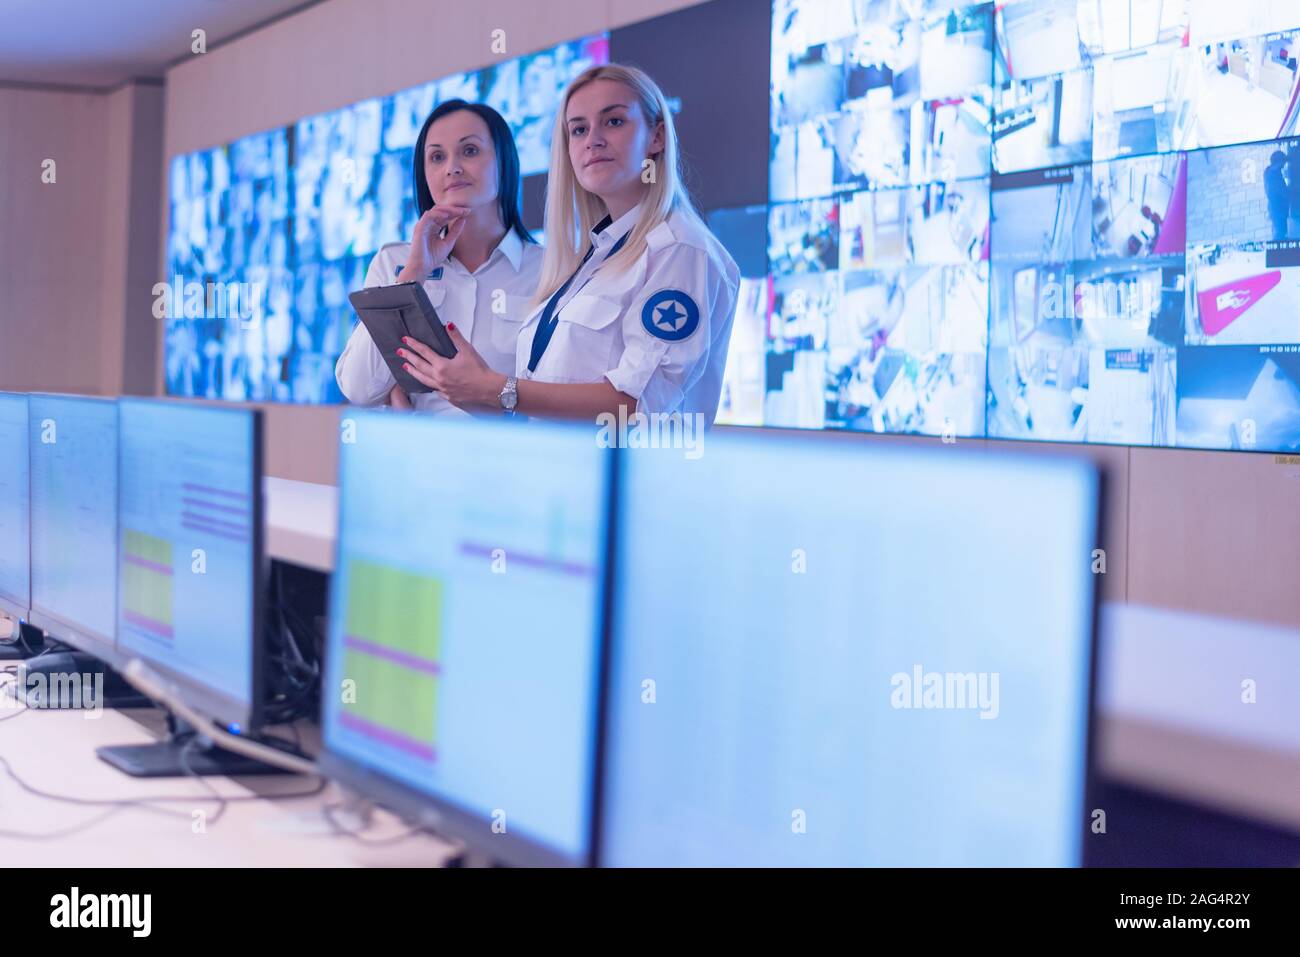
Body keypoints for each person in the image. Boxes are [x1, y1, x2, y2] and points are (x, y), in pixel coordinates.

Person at [395, 64, 740, 424]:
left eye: (614, 122)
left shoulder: (679, 250)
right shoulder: (594, 259)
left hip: (628, 479)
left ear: (656, 137)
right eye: (578, 129)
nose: (593, 140)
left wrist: (493, 388)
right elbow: (543, 411)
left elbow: (636, 404)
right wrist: (465, 390)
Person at [335, 100, 542, 412]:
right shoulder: (394, 263)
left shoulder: (548, 269)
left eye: (470, 151)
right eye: (436, 157)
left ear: (504, 161)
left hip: (510, 456)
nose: (452, 168)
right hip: (416, 457)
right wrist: (413, 275)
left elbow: (557, 398)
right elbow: (358, 388)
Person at [1264, 150, 1290, 242]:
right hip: (1279, 211)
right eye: (1283, 163)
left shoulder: (1268, 170)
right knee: (1281, 230)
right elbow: (1287, 195)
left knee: (1277, 227)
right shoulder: (1275, 182)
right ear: (1278, 163)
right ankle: (1279, 245)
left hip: (1273, 207)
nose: (1284, 165)